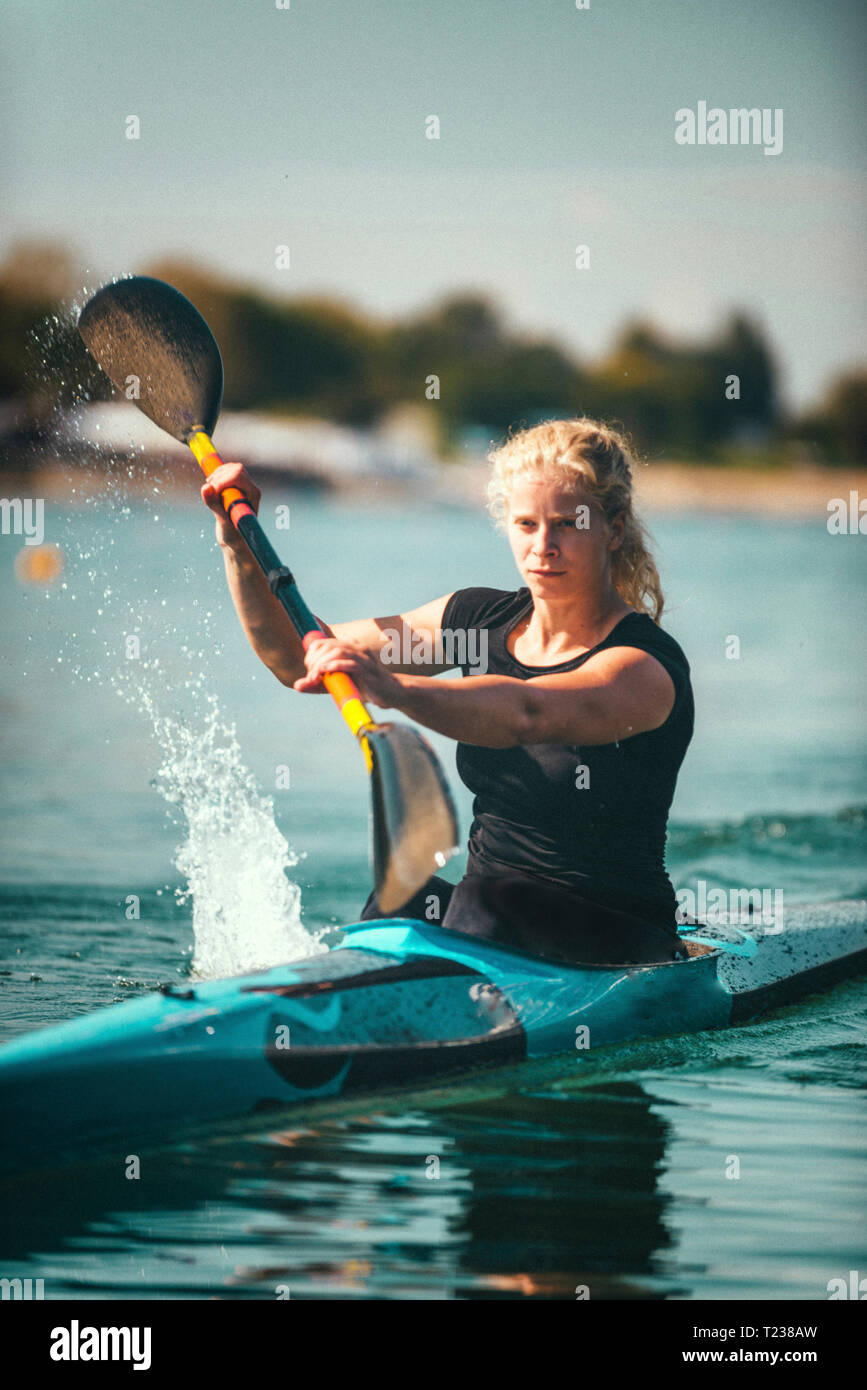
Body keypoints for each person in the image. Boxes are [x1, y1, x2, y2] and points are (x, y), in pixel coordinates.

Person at [202, 418, 693, 966]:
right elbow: (296, 656)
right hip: (492, 922)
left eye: (566, 525)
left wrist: (393, 688)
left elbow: (527, 712)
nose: (543, 547)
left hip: (621, 935)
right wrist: (236, 544)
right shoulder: (477, 621)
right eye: (526, 524)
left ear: (614, 529)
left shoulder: (644, 666)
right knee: (399, 901)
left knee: (483, 900)